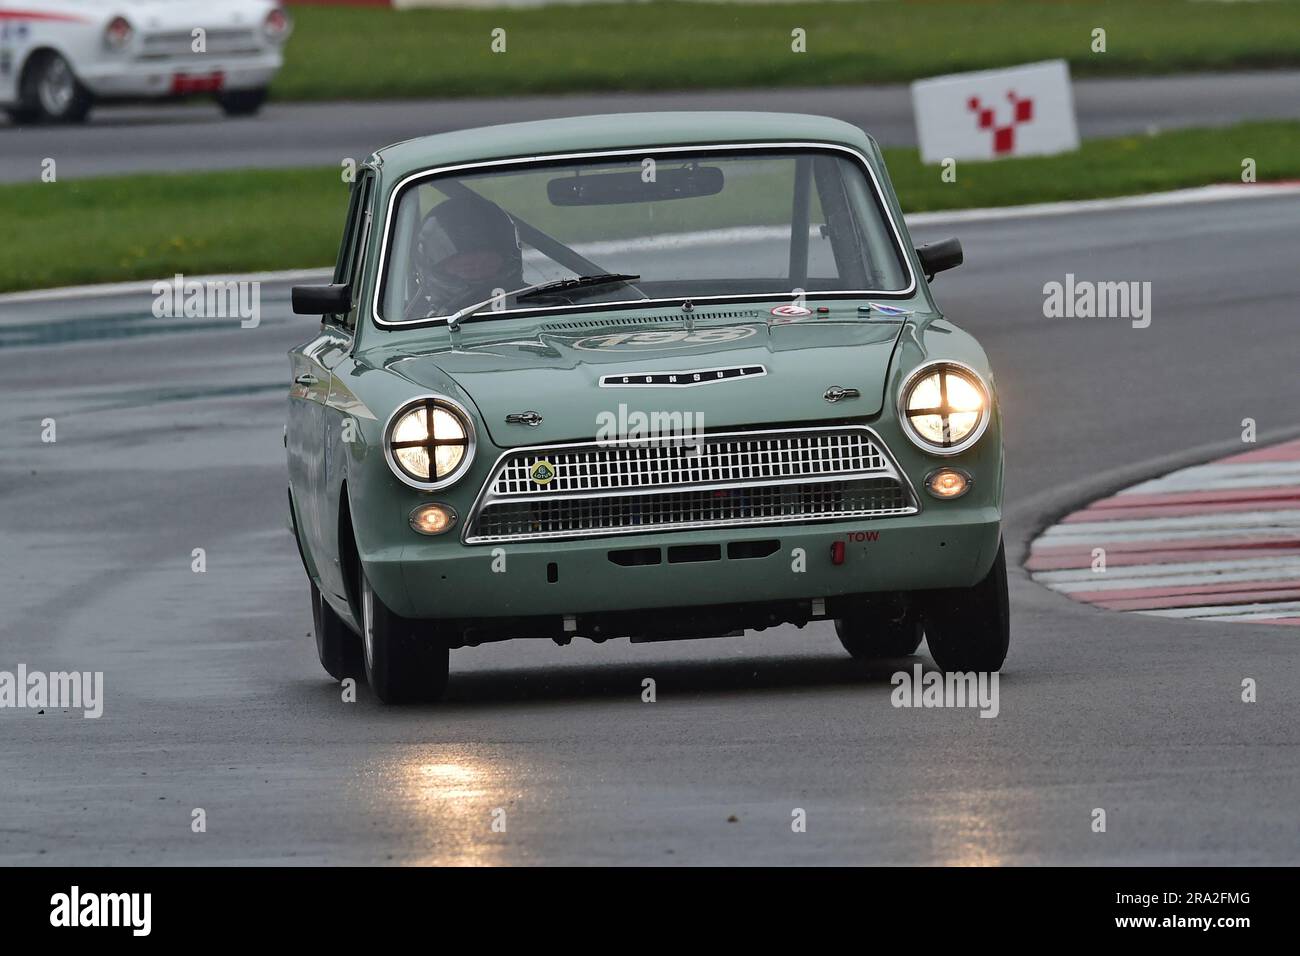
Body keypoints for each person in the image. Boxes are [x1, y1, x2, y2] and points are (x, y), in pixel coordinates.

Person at [411, 195, 525, 316]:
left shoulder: (537, 305)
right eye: (462, 264)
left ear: (507, 259)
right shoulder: (411, 320)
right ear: (436, 268)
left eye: (486, 262)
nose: (476, 267)